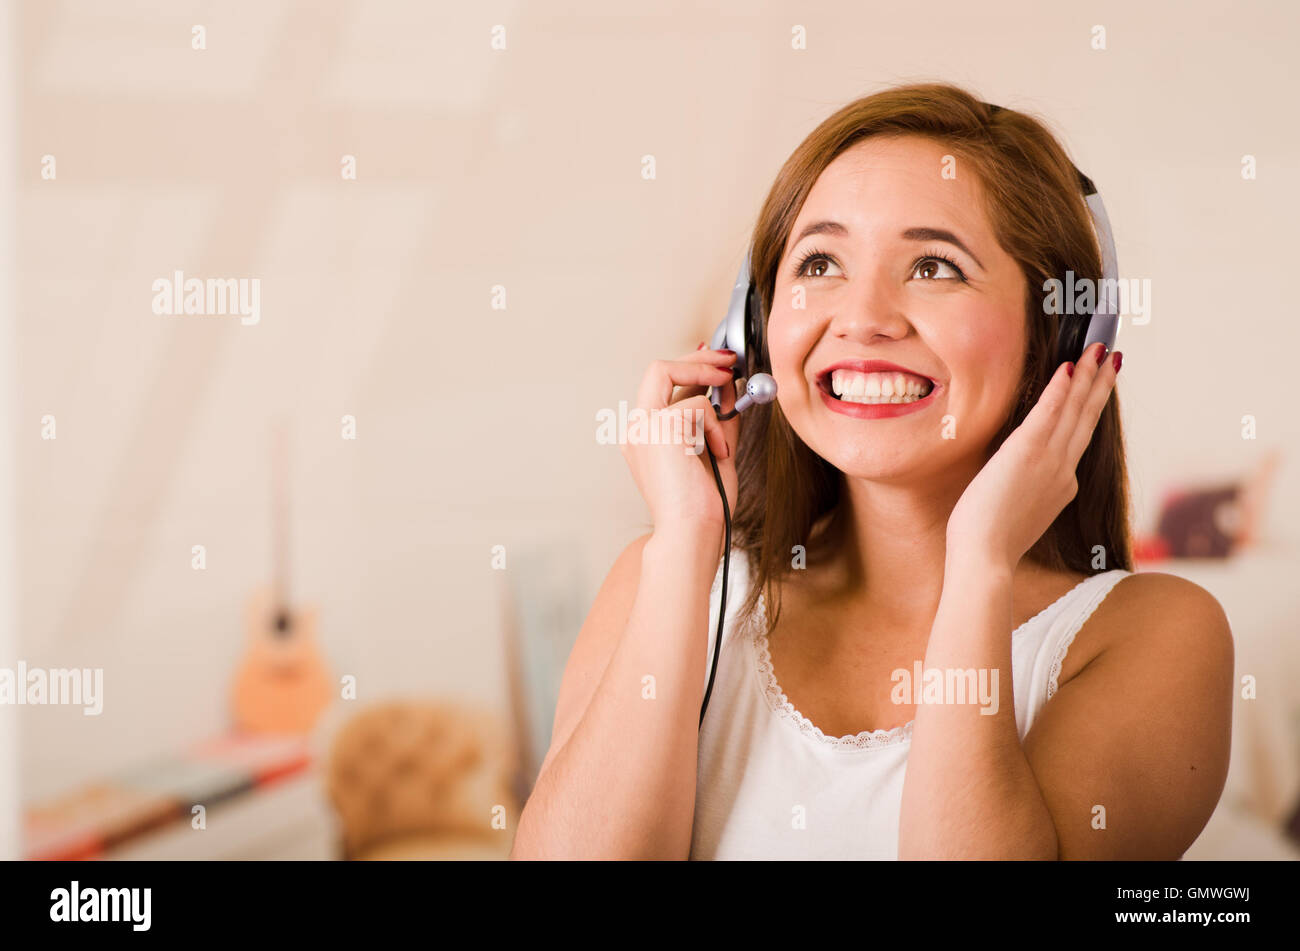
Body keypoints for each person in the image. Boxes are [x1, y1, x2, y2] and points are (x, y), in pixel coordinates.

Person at [510, 83, 1233, 860]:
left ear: (1059, 337)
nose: (861, 317)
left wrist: (979, 562)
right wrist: (687, 540)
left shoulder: (1156, 635)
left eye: (934, 266)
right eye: (819, 261)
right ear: (754, 327)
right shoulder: (665, 581)